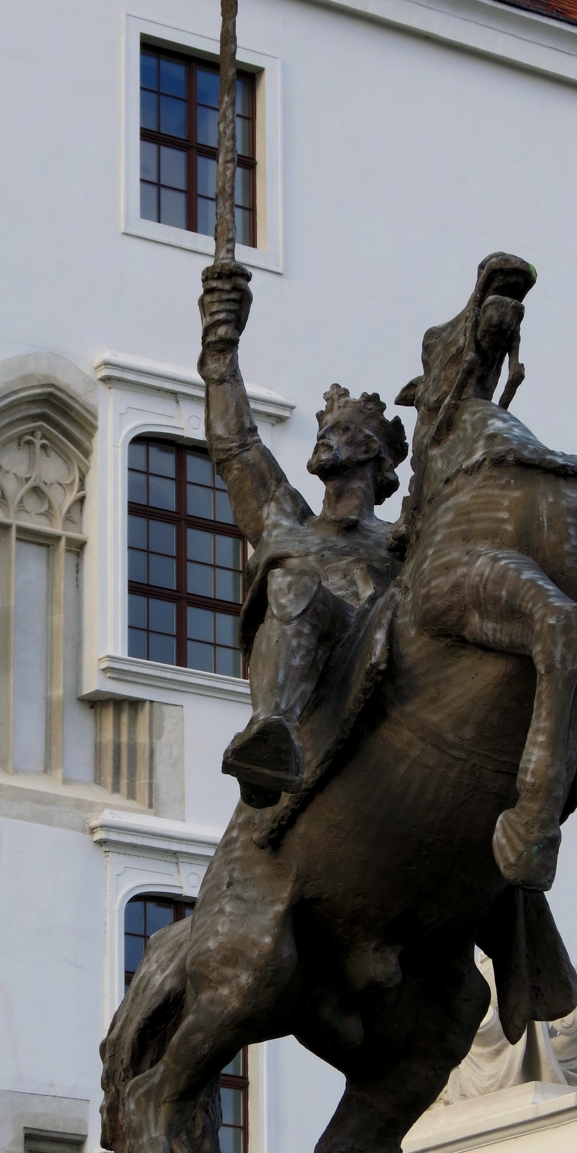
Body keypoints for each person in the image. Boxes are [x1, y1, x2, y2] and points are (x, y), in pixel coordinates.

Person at [198, 260, 408, 807]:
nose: (322, 439)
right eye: (322, 431)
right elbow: (238, 447)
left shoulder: (398, 542)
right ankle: (273, 734)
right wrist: (221, 351)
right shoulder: (284, 518)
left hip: (382, 673)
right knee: (291, 583)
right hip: (319, 677)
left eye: (338, 432)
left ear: (369, 452)